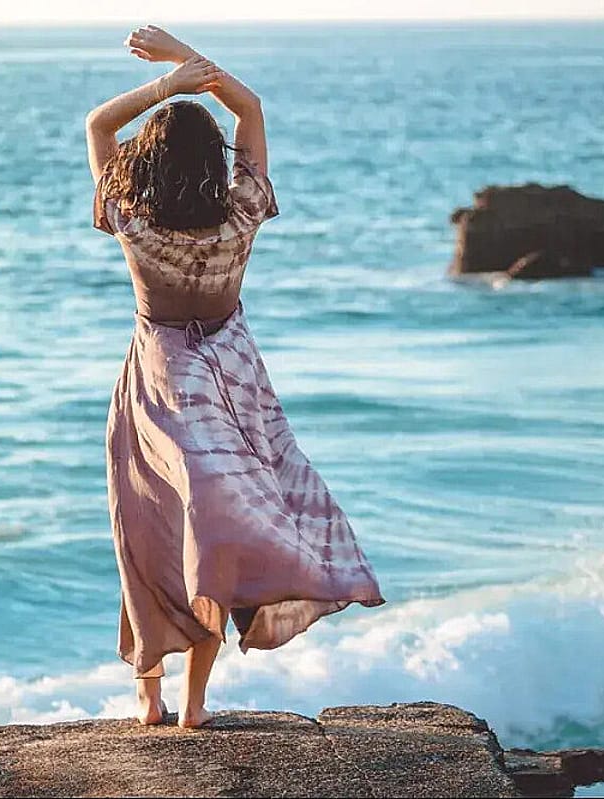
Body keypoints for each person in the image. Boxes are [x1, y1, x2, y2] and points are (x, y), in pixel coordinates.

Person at [85, 25, 385, 730]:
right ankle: (192, 703)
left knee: (151, 531)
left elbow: (99, 122)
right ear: (211, 163)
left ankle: (149, 693)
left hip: (160, 386)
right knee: (215, 540)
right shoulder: (243, 210)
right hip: (237, 381)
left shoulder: (130, 217)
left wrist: (167, 83)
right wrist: (192, 63)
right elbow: (250, 111)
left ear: (146, 165)